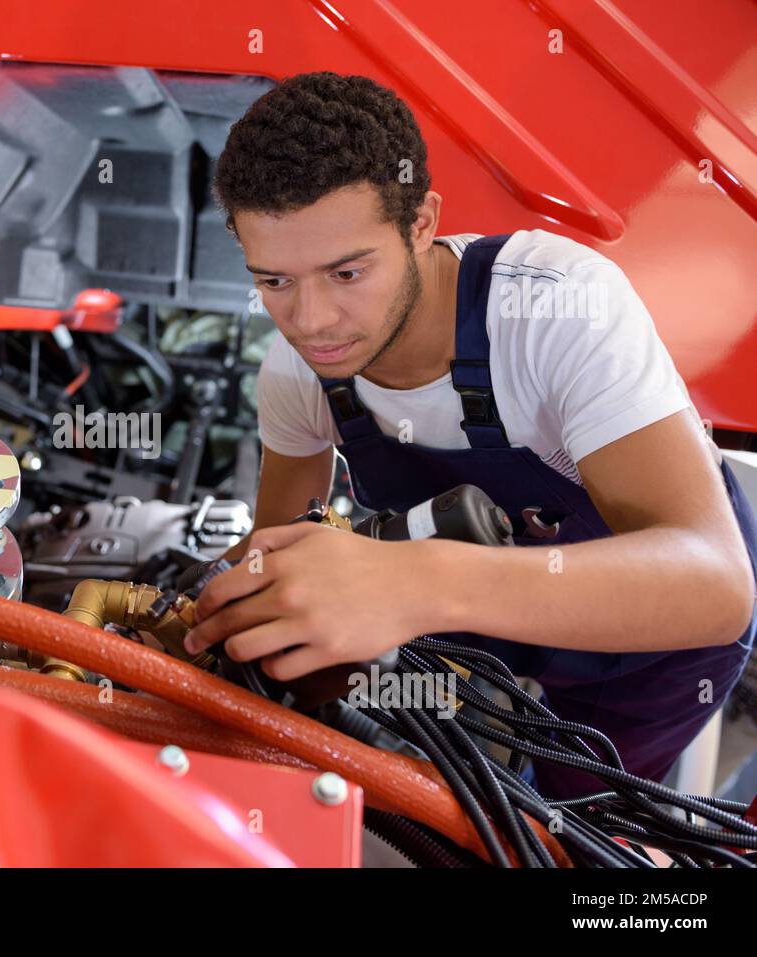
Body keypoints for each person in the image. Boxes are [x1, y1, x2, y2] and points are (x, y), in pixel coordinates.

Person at [183, 72, 757, 798]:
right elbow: (275, 557)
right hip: (475, 639)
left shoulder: (554, 309)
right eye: (274, 282)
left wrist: (416, 582)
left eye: (347, 271)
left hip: (644, 650)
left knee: (560, 832)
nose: (312, 320)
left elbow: (715, 583)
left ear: (421, 222)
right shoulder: (296, 375)